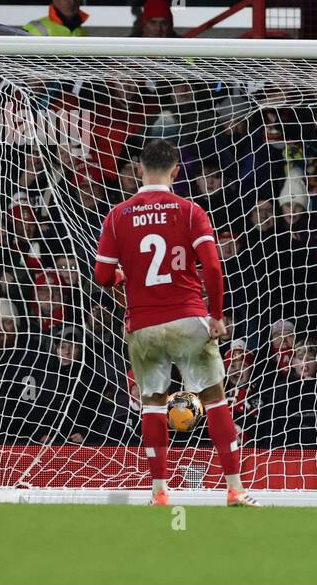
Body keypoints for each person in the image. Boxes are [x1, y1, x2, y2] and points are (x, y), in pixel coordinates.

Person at [93, 138, 259, 507]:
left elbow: (102, 275)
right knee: (214, 400)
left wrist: (124, 280)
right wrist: (216, 316)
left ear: (139, 169)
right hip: (187, 317)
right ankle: (234, 488)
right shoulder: (189, 211)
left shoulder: (118, 215)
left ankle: (160, 492)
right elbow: (213, 267)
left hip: (145, 325)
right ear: (176, 171)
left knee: (152, 403)